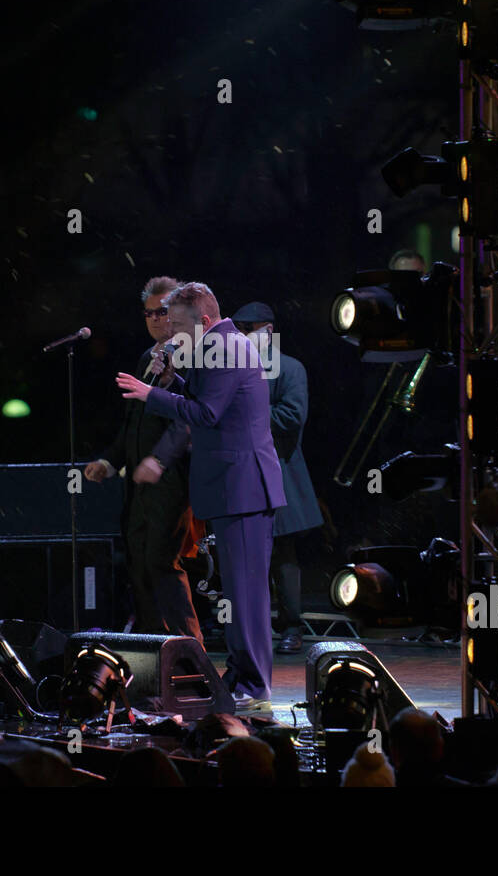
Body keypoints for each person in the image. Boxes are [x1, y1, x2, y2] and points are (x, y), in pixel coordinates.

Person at [116, 283, 286, 712]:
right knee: (241, 594)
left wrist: (152, 393)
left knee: (246, 596)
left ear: (203, 322)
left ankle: (255, 686)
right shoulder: (221, 346)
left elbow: (207, 414)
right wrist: (174, 381)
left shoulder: (228, 347)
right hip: (234, 489)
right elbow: (206, 398)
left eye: (176, 325)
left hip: (244, 488)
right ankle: (243, 675)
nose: (170, 333)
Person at [85, 276, 200, 642]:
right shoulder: (146, 358)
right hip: (139, 479)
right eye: (149, 312)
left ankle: (188, 650)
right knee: (138, 562)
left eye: (162, 311)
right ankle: (155, 649)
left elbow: (190, 419)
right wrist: (108, 461)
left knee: (161, 561)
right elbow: (132, 422)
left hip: (171, 478)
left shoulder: (192, 354)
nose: (154, 318)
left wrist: (160, 460)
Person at [234, 302, 323, 655]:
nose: (239, 337)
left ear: (267, 331)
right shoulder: (234, 367)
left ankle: (291, 625)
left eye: (246, 329)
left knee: (282, 552)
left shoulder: (289, 368)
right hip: (241, 470)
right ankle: (251, 623)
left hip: (276, 468)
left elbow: (291, 415)